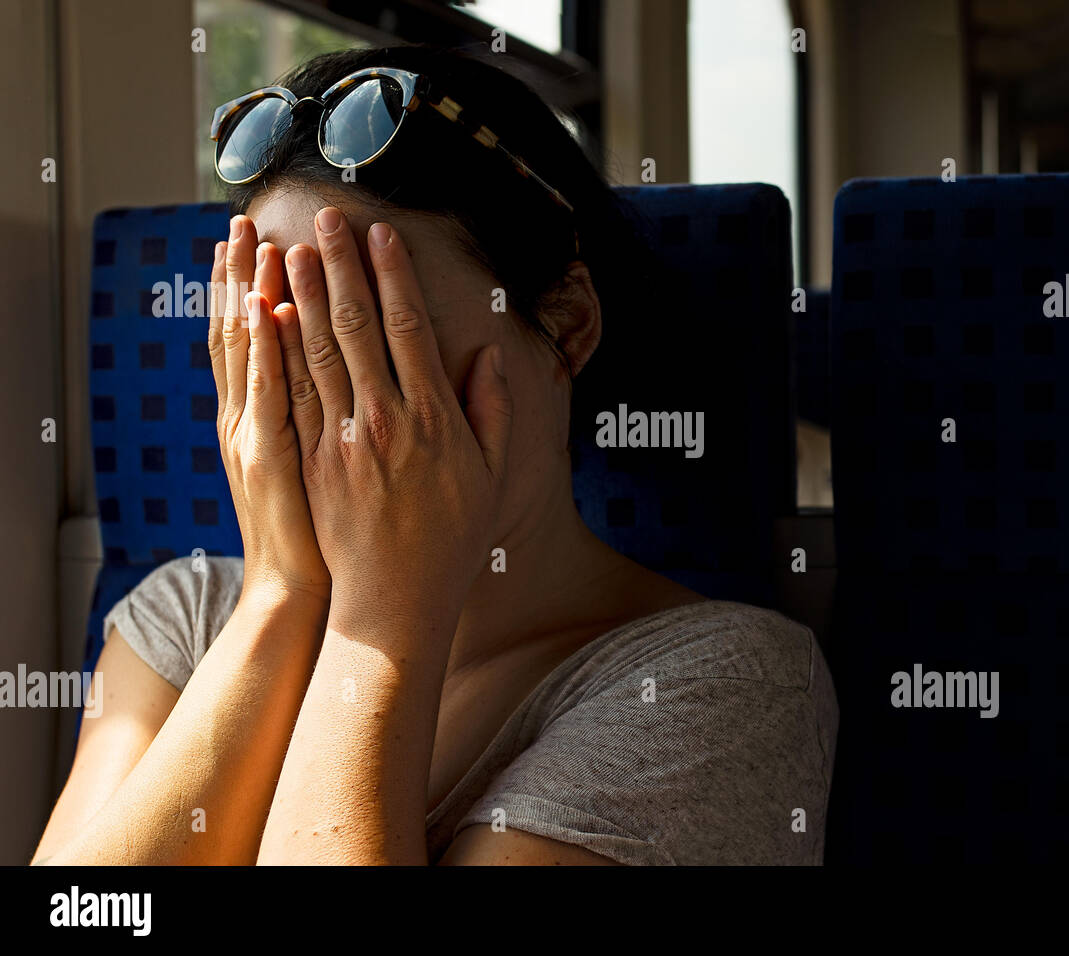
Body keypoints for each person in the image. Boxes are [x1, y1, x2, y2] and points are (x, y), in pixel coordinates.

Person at [33, 45, 836, 866]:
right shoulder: (188, 617)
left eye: (367, 328)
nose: (318, 393)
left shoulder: (720, 682)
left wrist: (379, 615)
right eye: (279, 336)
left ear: (565, 324)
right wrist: (279, 596)